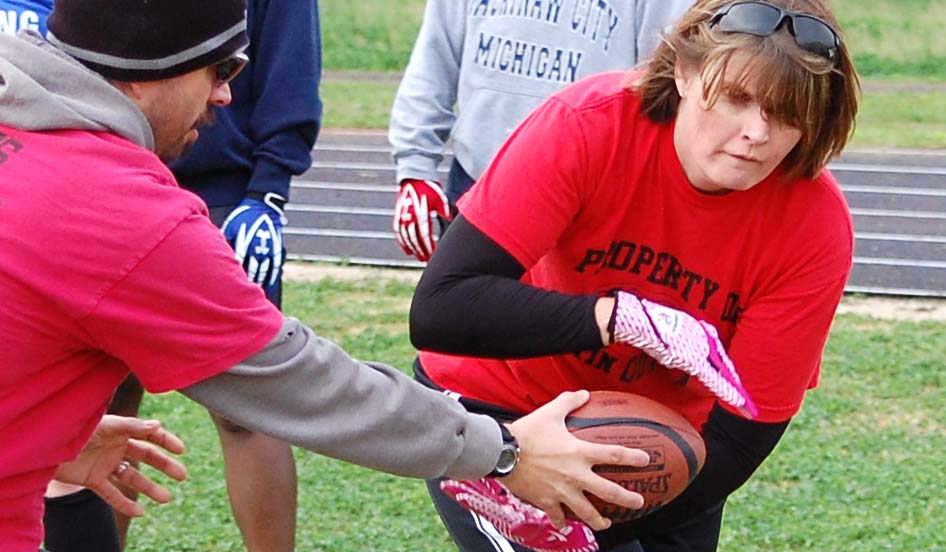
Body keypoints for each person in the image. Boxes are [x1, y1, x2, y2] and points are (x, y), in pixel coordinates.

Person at [0, 1, 654, 550]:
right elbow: (306, 383)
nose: (226, 94)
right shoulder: (123, 212)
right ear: (149, 71)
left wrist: (45, 437)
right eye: (220, 68)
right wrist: (503, 450)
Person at [407, 0, 859, 550]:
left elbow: (744, 435)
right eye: (737, 98)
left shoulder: (813, 224)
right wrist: (616, 317)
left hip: (660, 440)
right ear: (684, 72)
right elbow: (440, 308)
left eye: (787, 113)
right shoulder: (590, 125)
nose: (756, 133)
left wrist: (591, 521)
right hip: (502, 406)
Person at [103, 1, 323, 550]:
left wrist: (269, 191)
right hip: (108, 175)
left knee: (248, 406)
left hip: (223, 199)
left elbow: (290, 63)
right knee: (99, 399)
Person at [389, 0, 695, 262]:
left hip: (586, 199)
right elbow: (434, 59)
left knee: (562, 314)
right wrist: (415, 168)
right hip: (478, 181)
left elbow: (662, 82)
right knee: (461, 309)